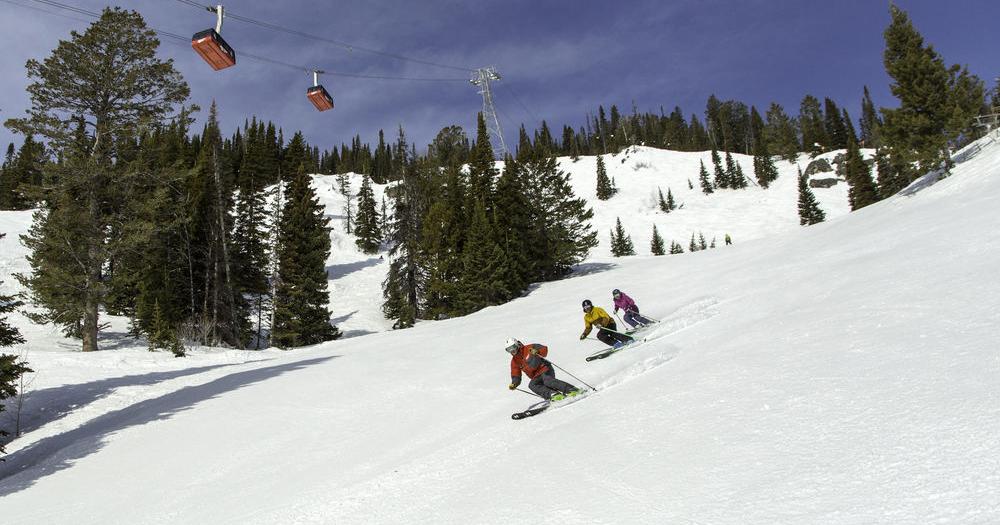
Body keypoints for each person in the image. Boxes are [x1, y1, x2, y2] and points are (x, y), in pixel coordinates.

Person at [506, 338, 579, 400]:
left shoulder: (529, 348)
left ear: (517, 345)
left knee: (548, 381)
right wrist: (514, 383)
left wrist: (538, 351)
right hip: (536, 376)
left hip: (544, 369)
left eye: (513, 347)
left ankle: (571, 390)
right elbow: (516, 374)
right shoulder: (514, 361)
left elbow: (544, 349)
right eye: (509, 349)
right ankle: (554, 395)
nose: (512, 351)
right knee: (532, 385)